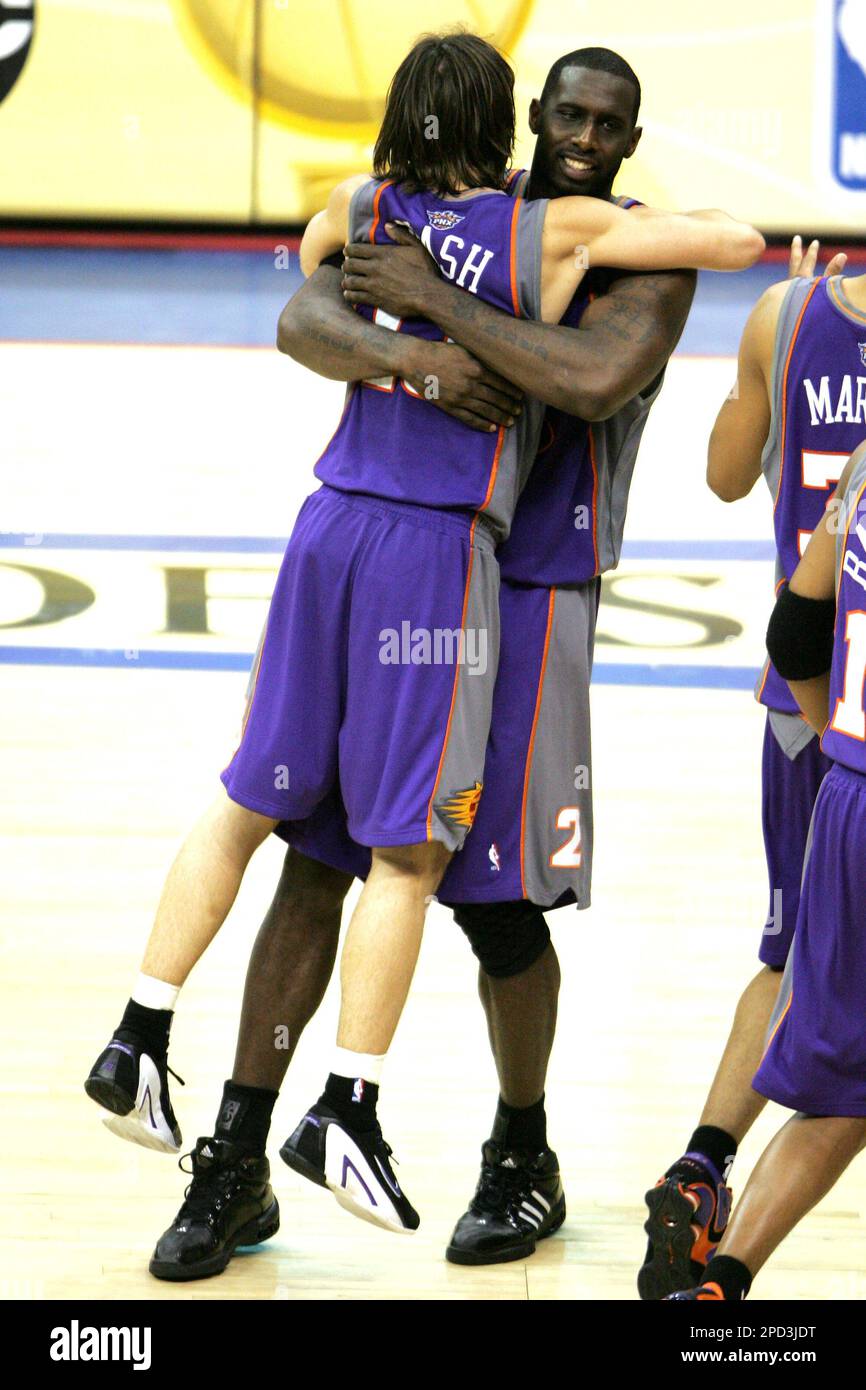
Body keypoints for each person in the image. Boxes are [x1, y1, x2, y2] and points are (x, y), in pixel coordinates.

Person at [85, 32, 763, 1267]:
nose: (580, 140)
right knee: (317, 852)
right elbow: (304, 304)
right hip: (422, 556)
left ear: (628, 141)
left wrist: (428, 310)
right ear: (527, 116)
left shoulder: (620, 255)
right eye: (564, 115)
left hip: (532, 585)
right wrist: (398, 333)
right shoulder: (482, 219)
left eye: (606, 127)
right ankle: (237, 1156)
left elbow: (590, 377)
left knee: (494, 903)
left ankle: (522, 1152)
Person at [639, 245, 863, 1300]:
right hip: (846, 716)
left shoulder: (787, 313)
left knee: (786, 955)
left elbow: (726, 476)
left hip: (809, 705)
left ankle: (701, 1168)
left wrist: (774, 352)